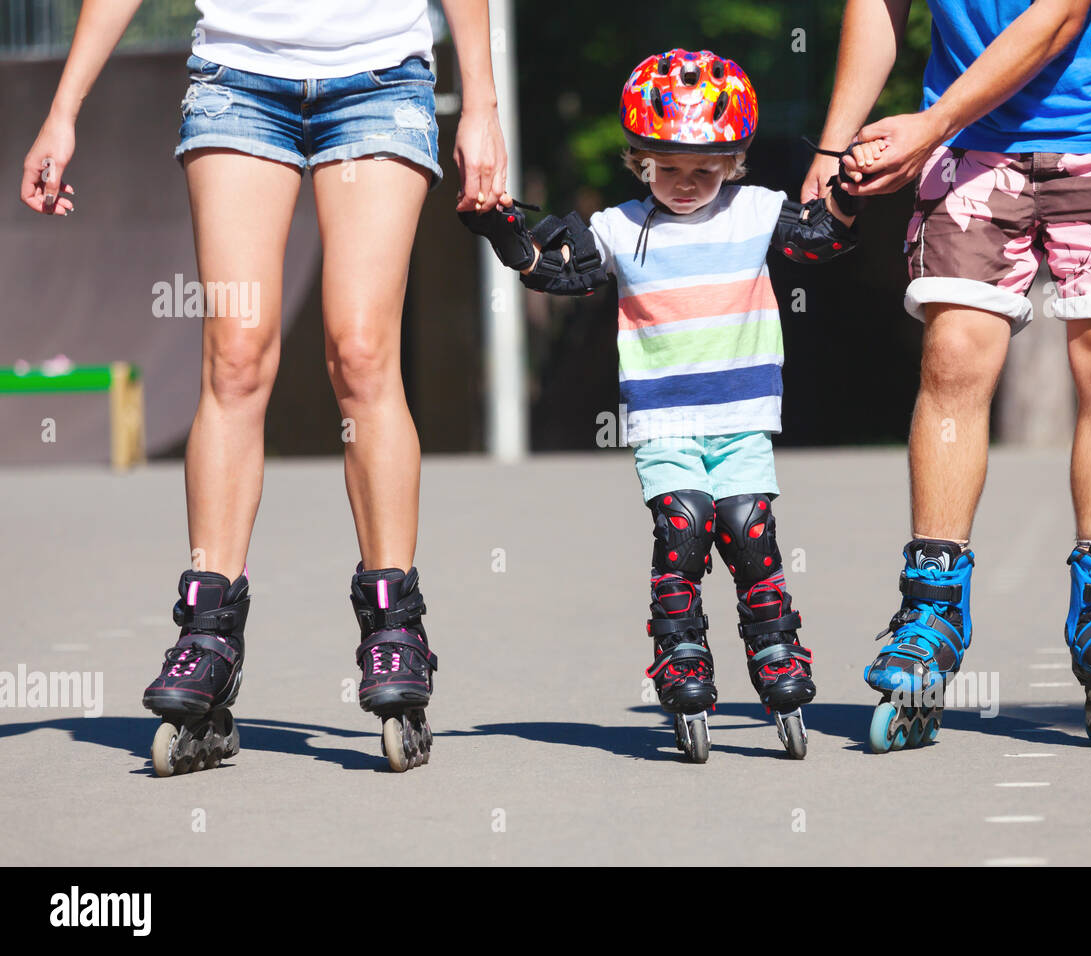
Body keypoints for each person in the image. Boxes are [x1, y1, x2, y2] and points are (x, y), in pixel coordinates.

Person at [19, 0, 509, 775]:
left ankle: (392, 627)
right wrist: (63, 110)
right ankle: (208, 632)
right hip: (237, 80)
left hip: (380, 78)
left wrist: (480, 102)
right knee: (235, 356)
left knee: (361, 353)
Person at [462, 48, 863, 762]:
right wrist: (502, 231)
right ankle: (681, 659)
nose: (686, 184)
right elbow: (558, 273)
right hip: (664, 421)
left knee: (748, 531)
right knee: (684, 529)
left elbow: (820, 241)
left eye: (705, 171)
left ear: (735, 160)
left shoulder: (757, 211)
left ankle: (775, 652)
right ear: (638, 160)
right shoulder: (619, 227)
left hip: (741, 419)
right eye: (667, 169)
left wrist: (852, 190)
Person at [802, 0, 1091, 752]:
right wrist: (835, 147)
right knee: (954, 353)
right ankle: (931, 606)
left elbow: (1059, 18)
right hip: (971, 143)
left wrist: (929, 125)